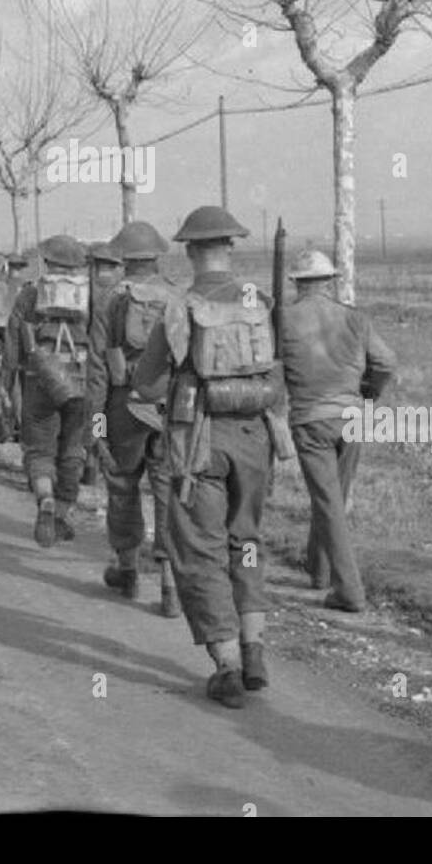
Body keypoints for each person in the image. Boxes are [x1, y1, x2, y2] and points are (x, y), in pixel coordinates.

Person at [130, 206, 285, 708]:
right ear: (230, 248)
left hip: (198, 441)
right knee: (247, 541)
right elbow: (276, 377)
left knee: (199, 549)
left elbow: (147, 382)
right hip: (255, 439)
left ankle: (228, 666)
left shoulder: (181, 307)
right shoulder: (260, 301)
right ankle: (255, 645)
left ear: (192, 251)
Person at [280, 249, 396, 613]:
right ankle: (319, 569)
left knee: (328, 500)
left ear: (296, 283)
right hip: (353, 418)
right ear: (329, 281)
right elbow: (386, 362)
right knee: (333, 499)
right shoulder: (354, 318)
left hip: (311, 420)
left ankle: (350, 591)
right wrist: (369, 392)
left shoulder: (282, 319)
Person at [87, 221, 181, 616]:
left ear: (123, 259)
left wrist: (95, 428)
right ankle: (170, 583)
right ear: (157, 256)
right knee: (168, 489)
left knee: (122, 483)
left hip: (123, 405)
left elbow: (97, 369)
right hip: (171, 407)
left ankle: (127, 570)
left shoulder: (110, 300)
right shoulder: (179, 297)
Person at [0, 234, 91, 547]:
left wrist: (6, 383)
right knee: (73, 450)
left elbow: (13, 342)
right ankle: (63, 510)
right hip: (80, 381)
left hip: (39, 380)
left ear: (47, 261)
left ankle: (46, 499)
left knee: (39, 450)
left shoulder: (30, 294)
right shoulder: (91, 297)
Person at [81, 239, 125, 485]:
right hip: (137, 377)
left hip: (103, 368)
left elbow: (98, 354)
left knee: (97, 408)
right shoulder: (125, 293)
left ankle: (92, 456)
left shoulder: (97, 296)